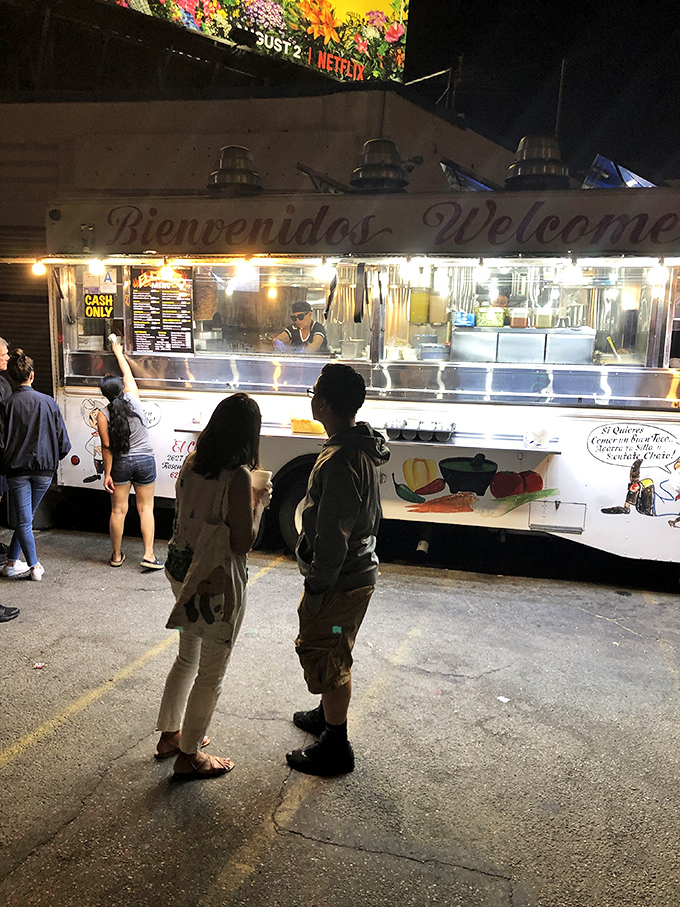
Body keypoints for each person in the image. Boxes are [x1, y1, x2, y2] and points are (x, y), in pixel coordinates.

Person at [155, 393, 271, 779]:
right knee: (211, 671)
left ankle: (172, 735)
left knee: (186, 657)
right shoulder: (237, 476)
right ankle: (190, 755)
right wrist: (259, 503)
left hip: (180, 569)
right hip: (214, 581)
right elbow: (242, 542)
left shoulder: (192, 462)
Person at [287, 363, 390, 776]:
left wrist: (317, 587)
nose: (311, 397)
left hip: (342, 579)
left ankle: (336, 744)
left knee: (328, 652)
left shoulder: (341, 458)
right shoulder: (356, 446)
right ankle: (327, 713)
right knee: (332, 649)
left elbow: (332, 537)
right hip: (354, 572)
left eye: (314, 391)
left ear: (324, 402)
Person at [0, 349, 71, 582]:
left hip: (16, 470)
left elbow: (1, 442)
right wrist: (52, 459)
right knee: (26, 519)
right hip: (44, 469)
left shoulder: (6, 405)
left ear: (12, 377)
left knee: (24, 520)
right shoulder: (48, 402)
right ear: (31, 375)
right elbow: (63, 441)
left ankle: (31, 565)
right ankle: (17, 563)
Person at [97, 341, 162, 570]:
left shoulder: (103, 414)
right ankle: (149, 555)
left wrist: (107, 473)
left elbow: (107, 447)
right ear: (121, 388)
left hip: (121, 463)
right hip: (145, 460)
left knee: (118, 510)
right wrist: (117, 350)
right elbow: (127, 372)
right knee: (146, 508)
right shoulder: (133, 398)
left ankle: (116, 556)